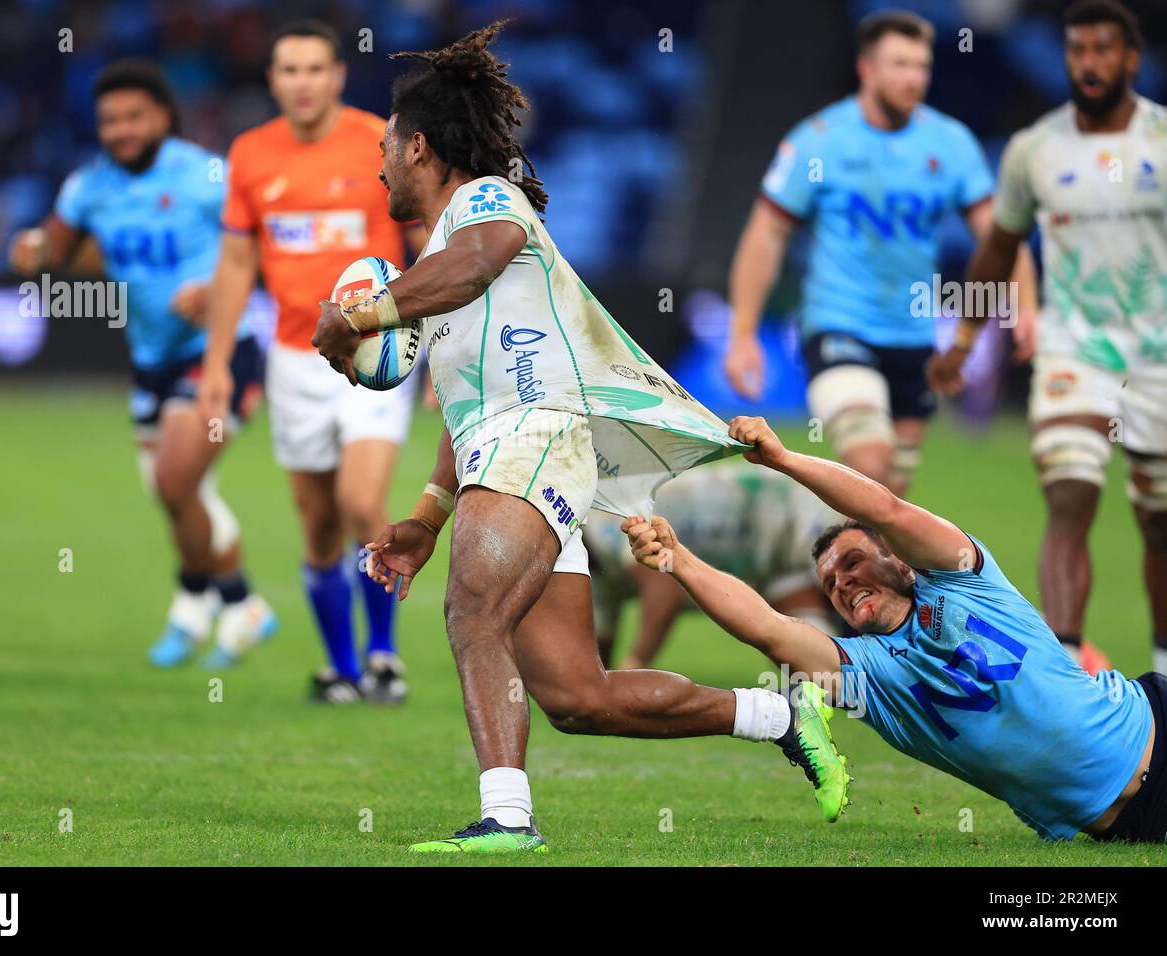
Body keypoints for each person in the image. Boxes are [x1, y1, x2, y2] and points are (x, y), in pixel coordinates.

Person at [316, 21, 851, 853]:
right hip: (510, 449)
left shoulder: (484, 203)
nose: (377, 162)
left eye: (385, 145)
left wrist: (358, 315)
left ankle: (506, 820)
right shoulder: (436, 267)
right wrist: (426, 517)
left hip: (540, 442)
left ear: (419, 148)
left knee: (473, 610)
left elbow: (484, 256)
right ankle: (779, 715)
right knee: (577, 696)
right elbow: (468, 412)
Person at [626, 415, 1164, 843]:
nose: (842, 581)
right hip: (1125, 828)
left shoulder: (965, 579)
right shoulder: (872, 678)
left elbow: (885, 508)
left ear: (900, 562)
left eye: (854, 562)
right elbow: (768, 628)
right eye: (830, 581)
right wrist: (680, 561)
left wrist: (786, 460)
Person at [10, 60, 275, 668]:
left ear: (162, 116)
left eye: (134, 116)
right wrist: (29, 250)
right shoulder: (87, 187)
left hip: (219, 355)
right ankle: (238, 607)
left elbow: (263, 247)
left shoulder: (207, 176)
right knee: (179, 494)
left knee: (178, 482)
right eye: (109, 120)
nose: (121, 130)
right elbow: (55, 250)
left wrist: (215, 291)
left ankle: (198, 601)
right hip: (149, 360)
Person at [929, 0, 1166, 678]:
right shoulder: (1036, 149)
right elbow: (997, 249)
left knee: (1158, 523)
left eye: (1102, 50)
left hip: (1157, 351)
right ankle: (1065, 667)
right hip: (1075, 346)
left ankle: (1164, 672)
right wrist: (966, 336)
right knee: (1070, 492)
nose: (1089, 63)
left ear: (1130, 59)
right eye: (1077, 51)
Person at [198, 20, 424, 704]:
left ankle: (383, 655)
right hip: (294, 359)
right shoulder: (250, 154)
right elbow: (238, 262)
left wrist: (442, 348)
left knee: (362, 502)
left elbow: (424, 245)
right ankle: (341, 670)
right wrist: (215, 363)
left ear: (337, 74)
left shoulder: (379, 141)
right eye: (289, 71)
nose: (302, 83)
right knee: (318, 523)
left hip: (376, 351)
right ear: (272, 80)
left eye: (315, 69)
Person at [725, 8, 1037, 497]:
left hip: (914, 336)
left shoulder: (950, 143)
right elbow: (767, 234)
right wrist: (743, 331)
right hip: (838, 324)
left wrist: (1027, 304)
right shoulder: (819, 141)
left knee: (889, 497)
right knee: (871, 463)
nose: (914, 78)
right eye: (900, 64)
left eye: (921, 65)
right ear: (866, 69)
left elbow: (1000, 236)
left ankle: (832, 567)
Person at [583, 462, 837, 669]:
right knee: (816, 667)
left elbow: (664, 590)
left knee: (847, 595)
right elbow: (594, 660)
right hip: (758, 558)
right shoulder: (591, 572)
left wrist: (635, 664)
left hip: (786, 510)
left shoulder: (606, 521)